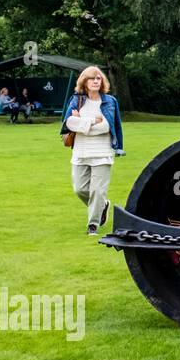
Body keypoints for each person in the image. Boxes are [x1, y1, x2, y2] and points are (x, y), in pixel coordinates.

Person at [62, 66, 124, 235]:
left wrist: (82, 122)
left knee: (97, 191)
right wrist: (92, 121)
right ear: (84, 82)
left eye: (98, 78)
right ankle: (102, 206)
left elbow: (106, 127)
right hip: (80, 152)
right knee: (80, 189)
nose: (96, 81)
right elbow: (69, 123)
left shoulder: (109, 101)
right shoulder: (76, 100)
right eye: (92, 78)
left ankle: (93, 225)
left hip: (102, 153)